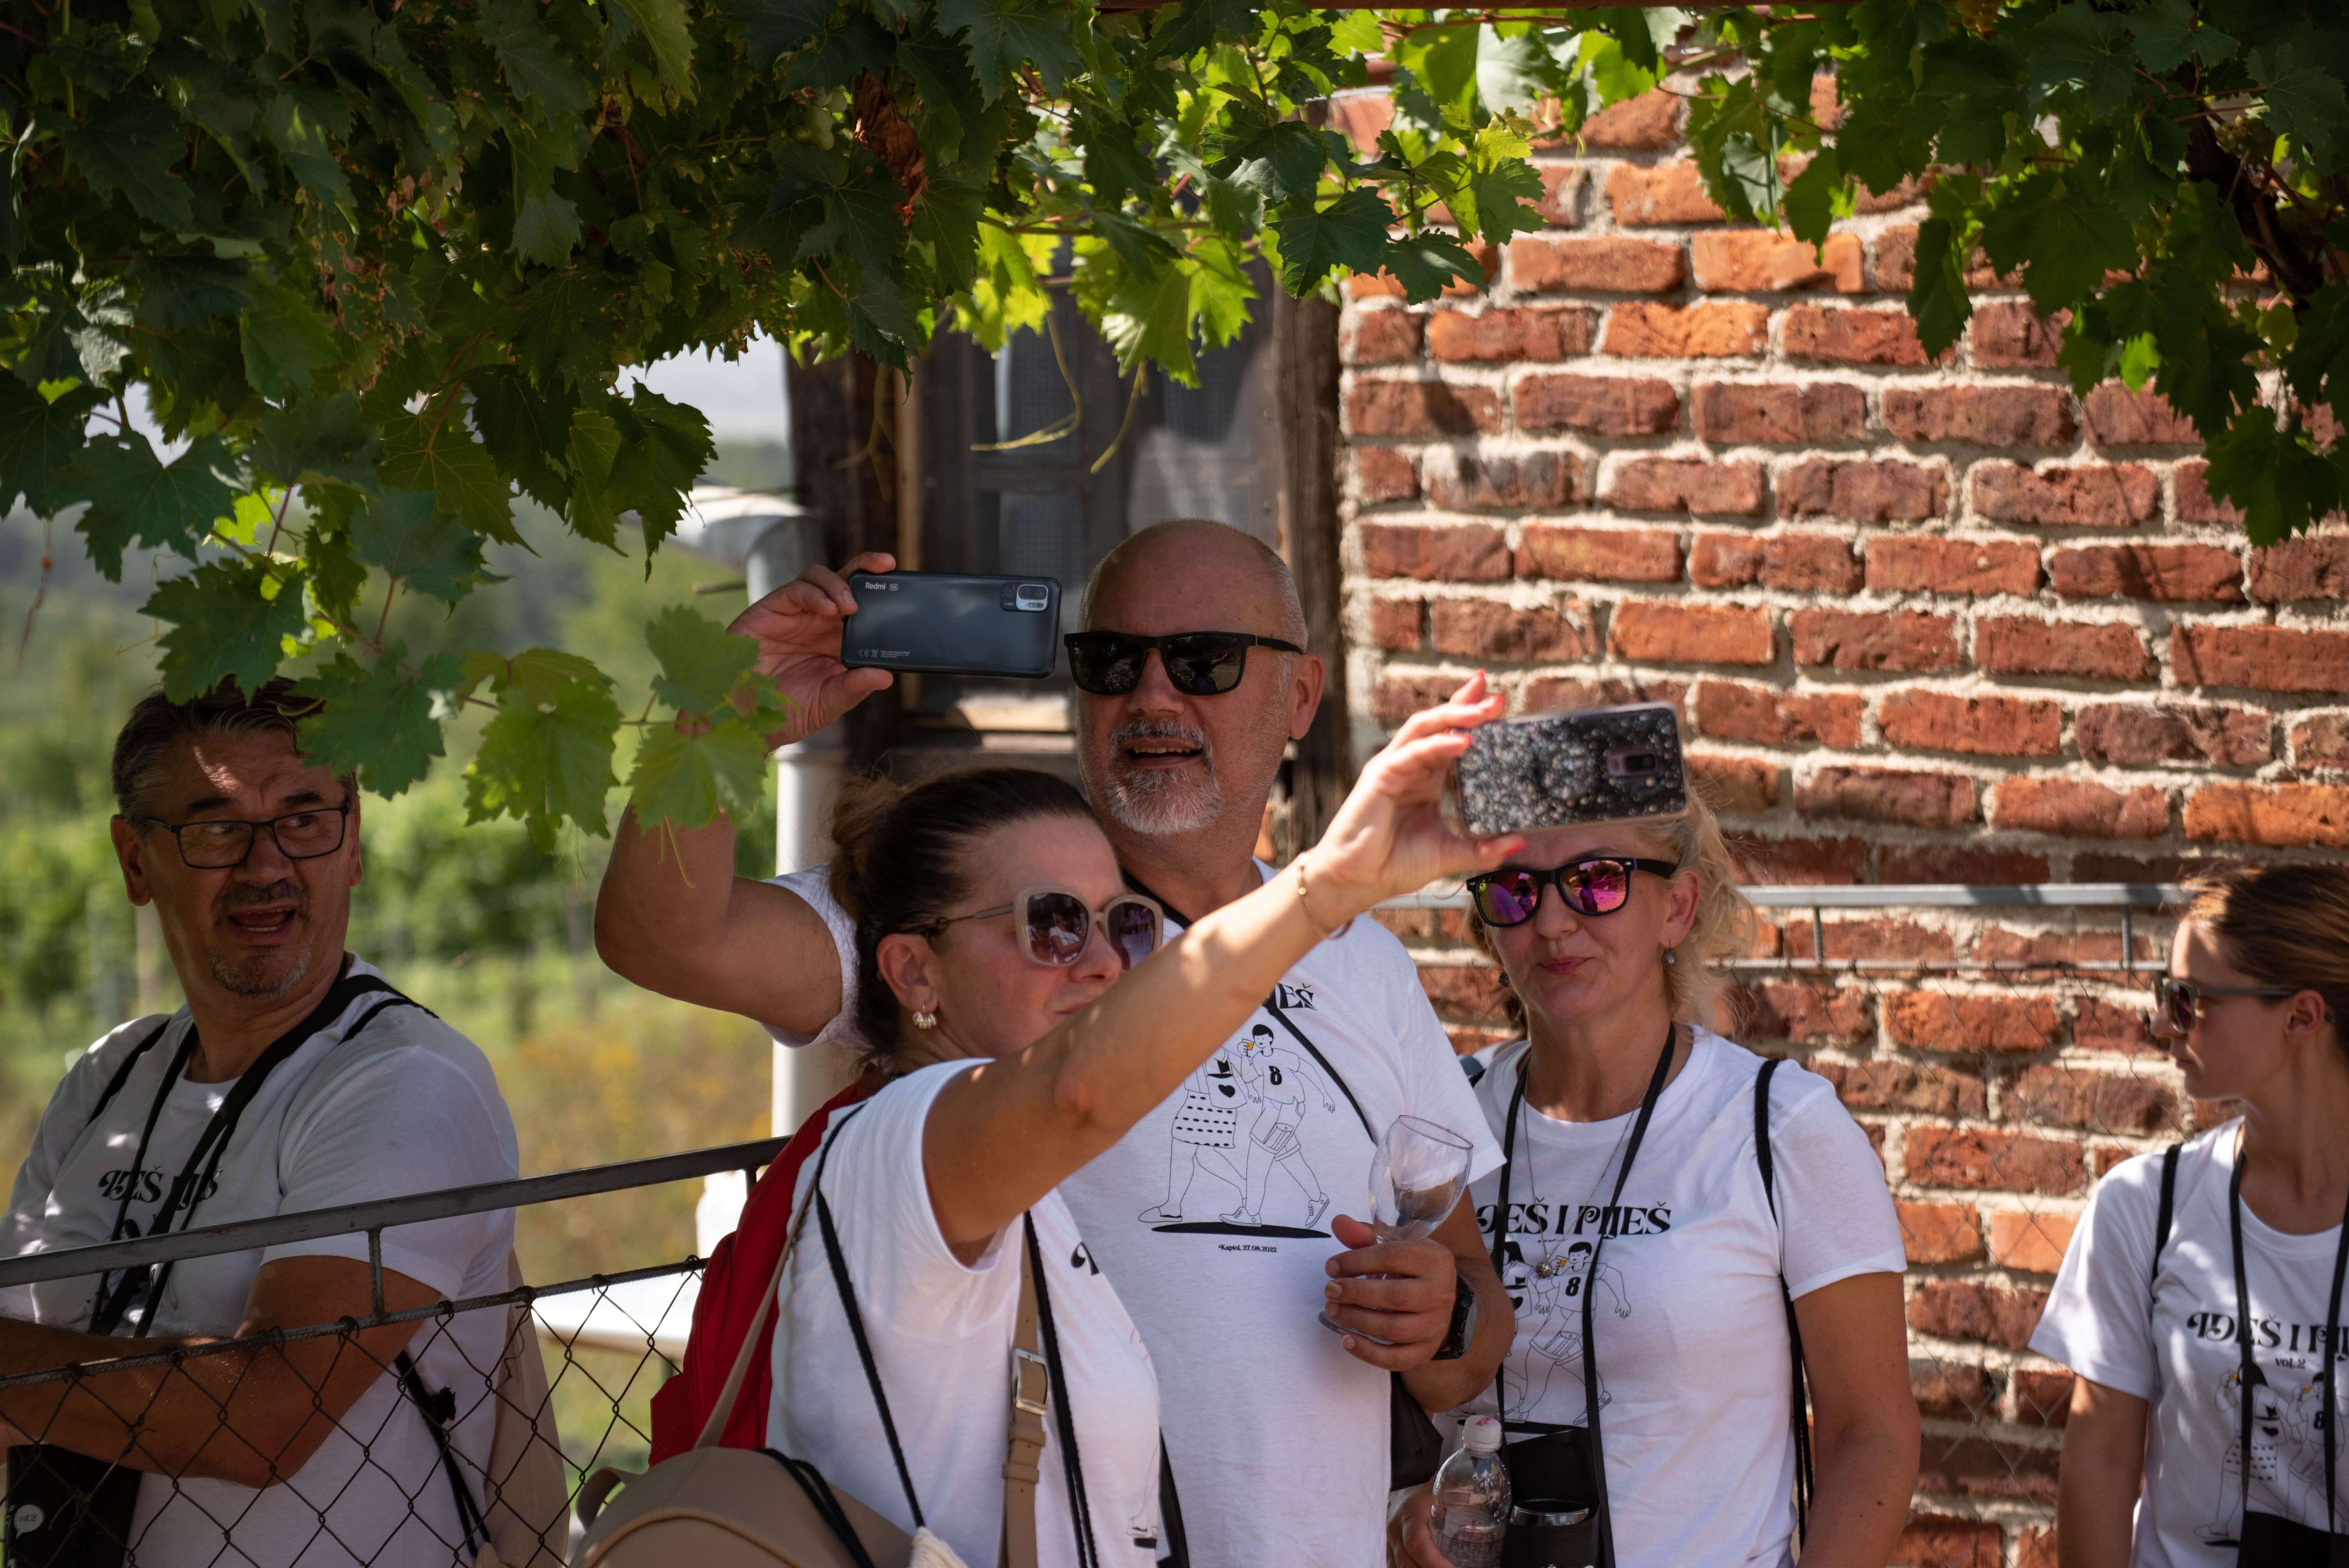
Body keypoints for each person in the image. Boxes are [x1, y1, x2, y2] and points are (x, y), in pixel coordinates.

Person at [597, 521, 1515, 1568]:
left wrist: (1441, 1322)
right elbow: (663, 937)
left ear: (1299, 697)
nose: (1153, 697)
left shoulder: (1366, 970)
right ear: (913, 973)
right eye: (1113, 662)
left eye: (1203, 662)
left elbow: (1477, 1327)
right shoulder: (991, 920)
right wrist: (724, 716)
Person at [762, 684, 1513, 1566]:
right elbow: (1079, 1090)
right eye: (1049, 923)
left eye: (1119, 924)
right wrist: (1321, 889)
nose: (1098, 962)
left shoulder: (1030, 1199)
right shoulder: (901, 1144)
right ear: (914, 974)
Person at [0, 679, 522, 1568]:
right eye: (214, 828)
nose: (266, 865)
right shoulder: (108, 1078)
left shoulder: (404, 1082)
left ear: (353, 843)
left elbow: (264, 1419)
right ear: (134, 860)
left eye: (305, 818)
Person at [1393, 786, 1920, 1568]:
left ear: (1676, 908)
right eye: (1512, 889)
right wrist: (1402, 1512)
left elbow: (1870, 1434)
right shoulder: (1442, 1124)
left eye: (1596, 881)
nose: (1550, 920)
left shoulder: (1778, 1125)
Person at [2033, 865, 2349, 1567]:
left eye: (2188, 999)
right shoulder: (2146, 1205)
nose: (2158, 1023)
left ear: (2301, 1016)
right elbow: (2102, 1460)